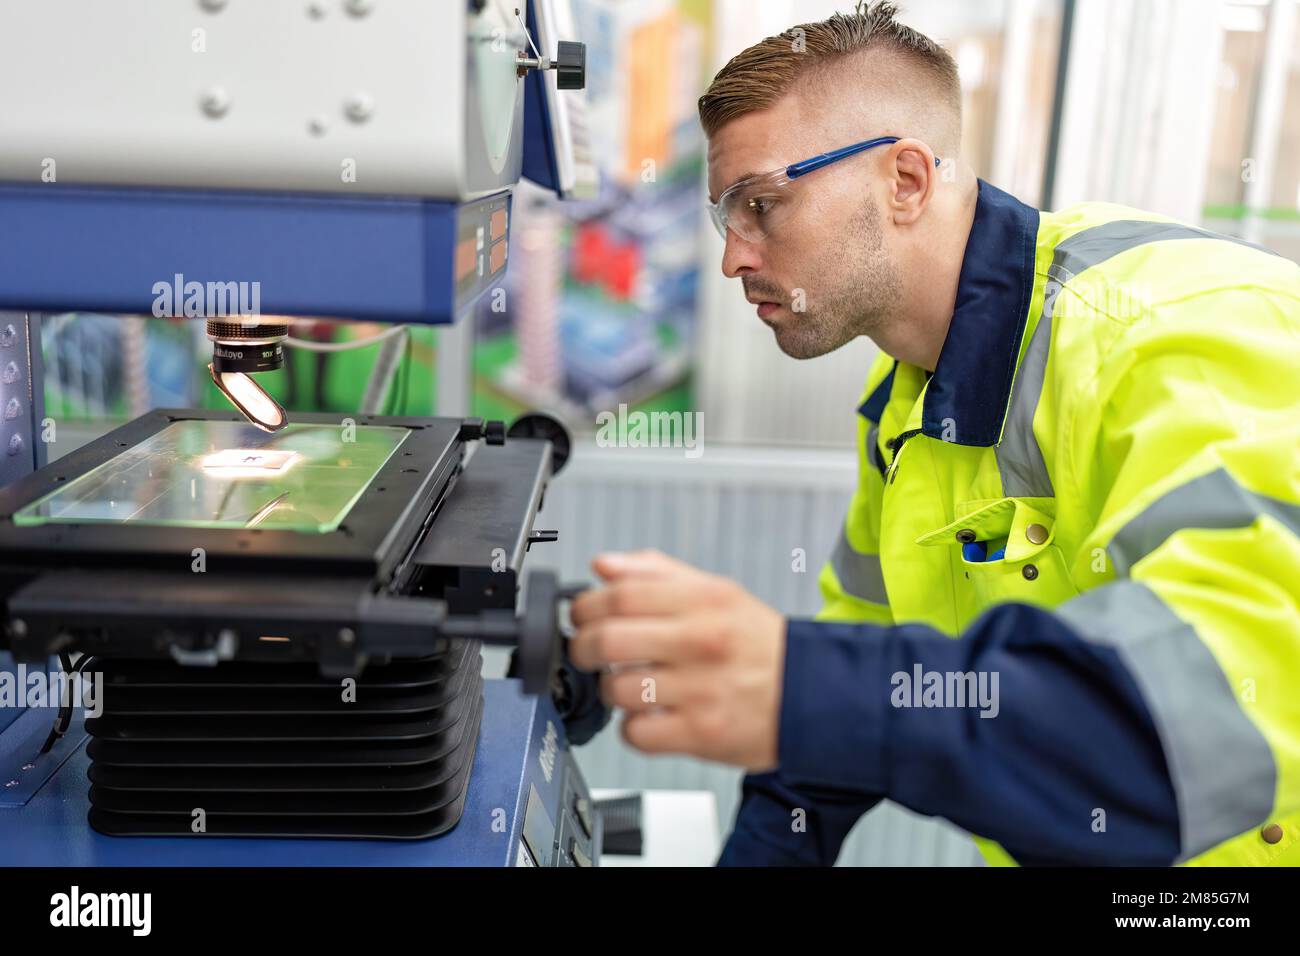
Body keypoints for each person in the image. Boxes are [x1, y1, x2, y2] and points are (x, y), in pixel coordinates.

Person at [568, 2, 1300, 866]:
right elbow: (855, 686)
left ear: (907, 180)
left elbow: (1208, 715)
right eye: (726, 215)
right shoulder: (904, 407)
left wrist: (806, 686)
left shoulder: (1173, 331)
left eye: (762, 204)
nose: (734, 257)